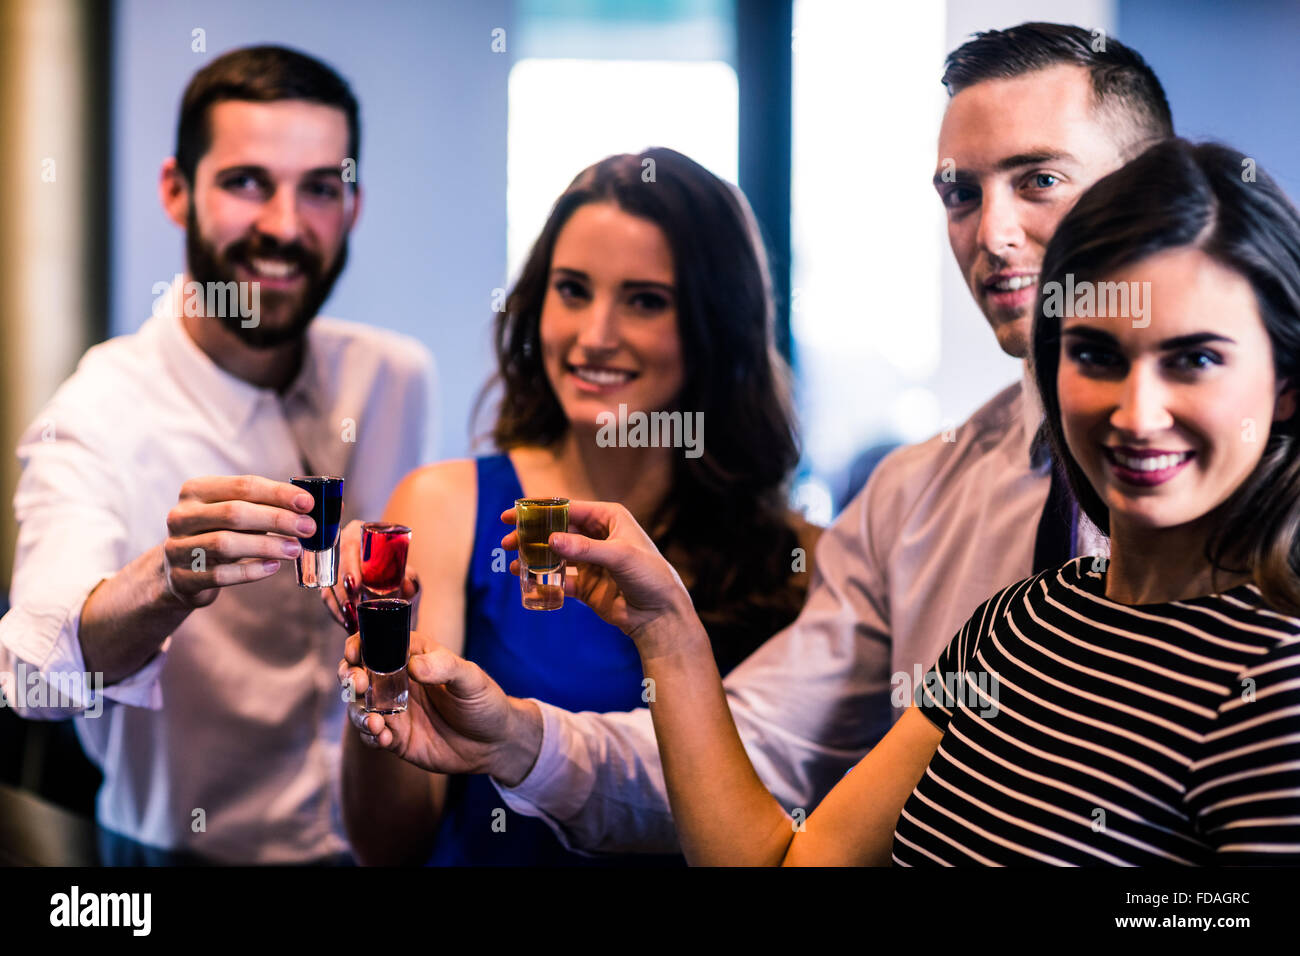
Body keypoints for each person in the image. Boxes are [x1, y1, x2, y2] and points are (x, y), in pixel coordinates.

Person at [337, 23, 1177, 856]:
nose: (991, 233)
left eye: (1039, 179)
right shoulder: (909, 502)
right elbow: (753, 763)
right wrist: (516, 739)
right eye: (960, 193)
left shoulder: (1254, 506)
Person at [498, 138, 1300, 865]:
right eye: (1095, 354)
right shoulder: (1016, 624)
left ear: (1287, 386)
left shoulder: (1277, 681)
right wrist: (666, 632)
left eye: (1194, 359)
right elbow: (782, 863)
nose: (1137, 411)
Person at [0, 45, 434, 864]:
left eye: (319, 188)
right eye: (246, 182)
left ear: (354, 205)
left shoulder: (395, 379)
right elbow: (33, 680)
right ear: (175, 190)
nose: (282, 224)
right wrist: (167, 578)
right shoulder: (97, 411)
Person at [331, 148, 820, 865]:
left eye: (645, 300)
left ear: (720, 326)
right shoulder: (448, 506)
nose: (594, 336)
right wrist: (379, 689)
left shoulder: (802, 557)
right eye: (572, 290)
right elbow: (388, 845)